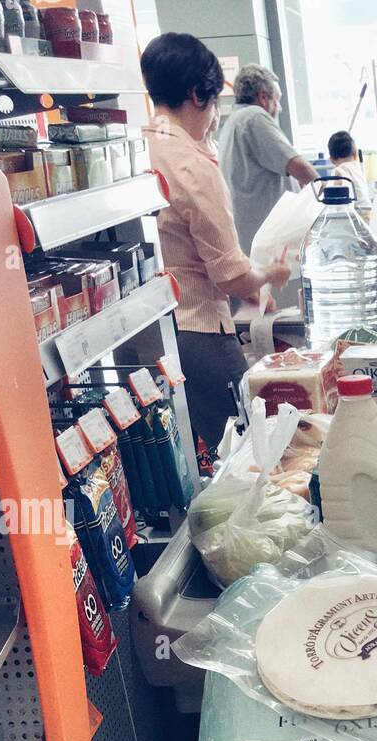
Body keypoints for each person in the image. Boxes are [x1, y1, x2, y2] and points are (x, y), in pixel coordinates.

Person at [141, 35, 292, 454]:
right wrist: (269, 274)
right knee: (249, 449)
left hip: (151, 334)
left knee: (190, 457)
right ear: (197, 93)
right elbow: (229, 275)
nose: (215, 117)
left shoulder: (143, 145)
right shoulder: (191, 162)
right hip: (199, 331)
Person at [219, 65, 318, 255]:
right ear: (263, 97)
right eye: (277, 100)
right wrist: (329, 199)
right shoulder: (254, 118)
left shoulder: (233, 122)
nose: (279, 108)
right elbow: (300, 168)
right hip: (270, 245)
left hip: (251, 240)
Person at [327, 129, 373, 216]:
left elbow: (340, 205)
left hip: (358, 218)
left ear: (331, 160)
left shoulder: (339, 171)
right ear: (355, 154)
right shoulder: (357, 168)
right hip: (369, 215)